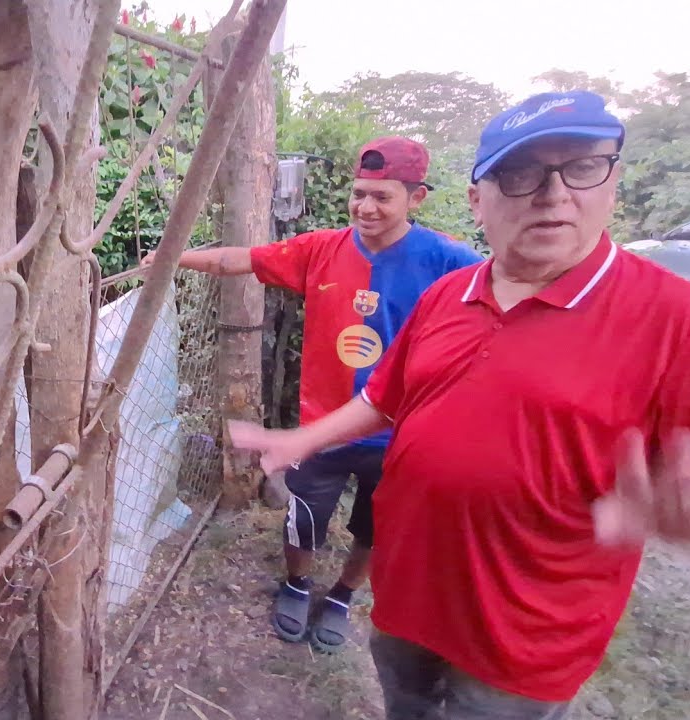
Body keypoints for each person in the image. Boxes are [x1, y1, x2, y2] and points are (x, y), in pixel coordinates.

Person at [230, 91, 690, 719]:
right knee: (405, 704)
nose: (553, 194)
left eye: (582, 166)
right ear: (480, 199)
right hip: (408, 595)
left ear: (614, 180)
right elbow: (386, 396)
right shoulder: (450, 293)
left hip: (523, 640)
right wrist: (302, 440)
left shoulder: (684, 323)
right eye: (521, 174)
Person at [144, 136, 481, 650]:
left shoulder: (449, 262)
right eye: (359, 194)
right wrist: (172, 257)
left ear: (417, 198)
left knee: (375, 528)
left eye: (382, 197)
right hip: (319, 428)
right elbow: (239, 259)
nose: (365, 207)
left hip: (400, 435)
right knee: (303, 518)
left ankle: (344, 594)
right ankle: (298, 583)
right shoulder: (322, 249)